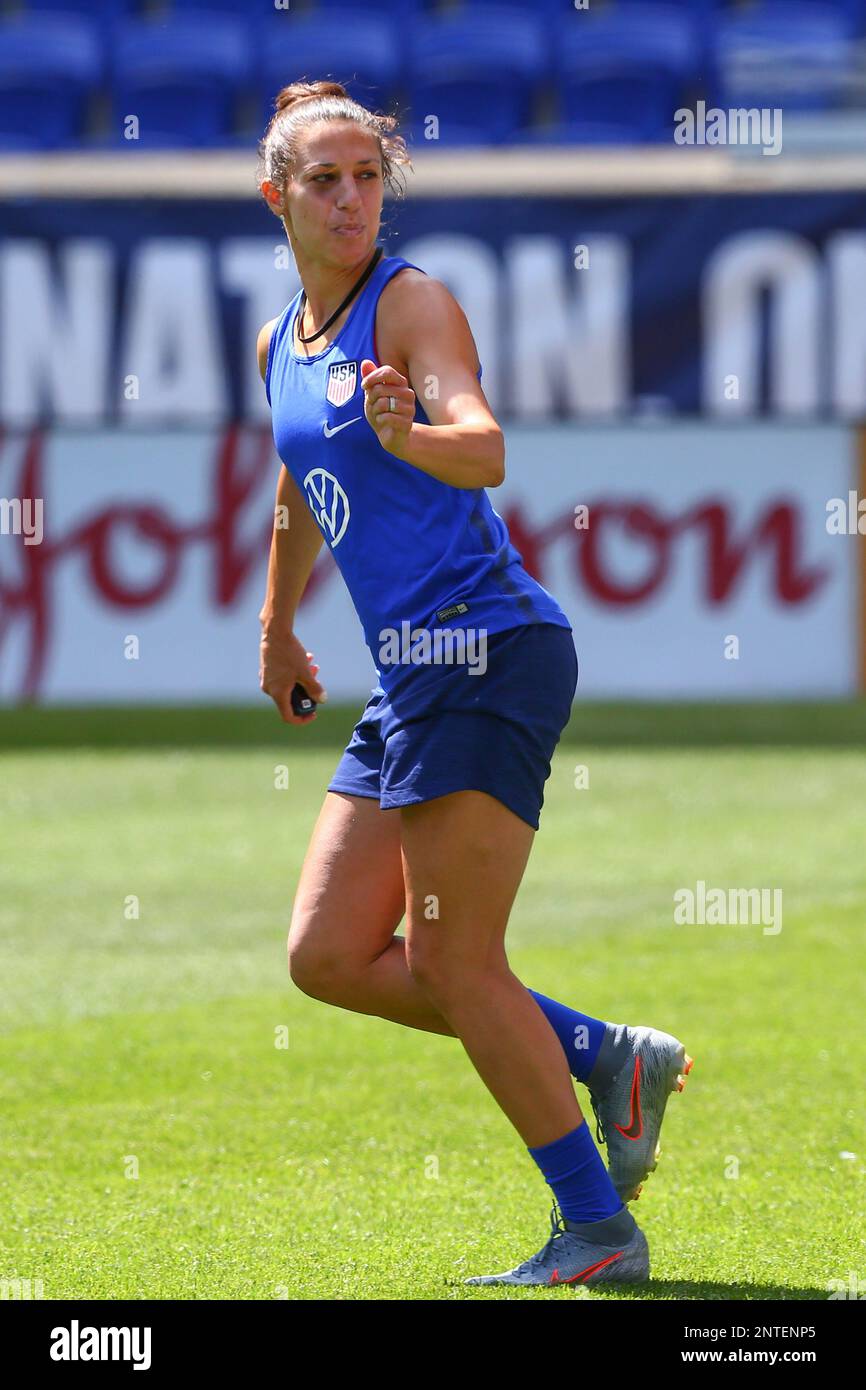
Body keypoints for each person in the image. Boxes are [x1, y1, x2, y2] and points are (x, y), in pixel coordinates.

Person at [255, 79, 693, 1288]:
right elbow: (299, 484)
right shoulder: (279, 341)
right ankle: (605, 1055)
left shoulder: (412, 303)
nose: (352, 200)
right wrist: (277, 626)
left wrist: (411, 435)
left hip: (486, 645)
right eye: (325, 180)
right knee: (328, 954)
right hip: (407, 673)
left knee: (454, 956)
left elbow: (485, 444)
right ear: (275, 196)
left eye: (367, 177)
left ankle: (598, 1231)